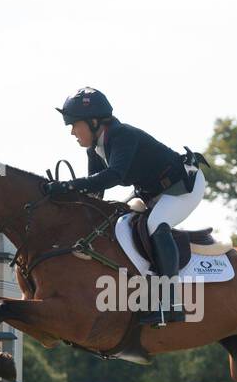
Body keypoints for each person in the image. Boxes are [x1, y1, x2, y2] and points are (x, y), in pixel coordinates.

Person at [45, 87, 206, 321]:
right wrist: (68, 199)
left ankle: (172, 304)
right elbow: (96, 192)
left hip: (182, 187)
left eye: (74, 124)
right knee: (117, 221)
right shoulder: (95, 149)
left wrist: (69, 186)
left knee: (155, 224)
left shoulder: (122, 136)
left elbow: (113, 177)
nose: (72, 132)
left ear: (93, 121)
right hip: (152, 191)